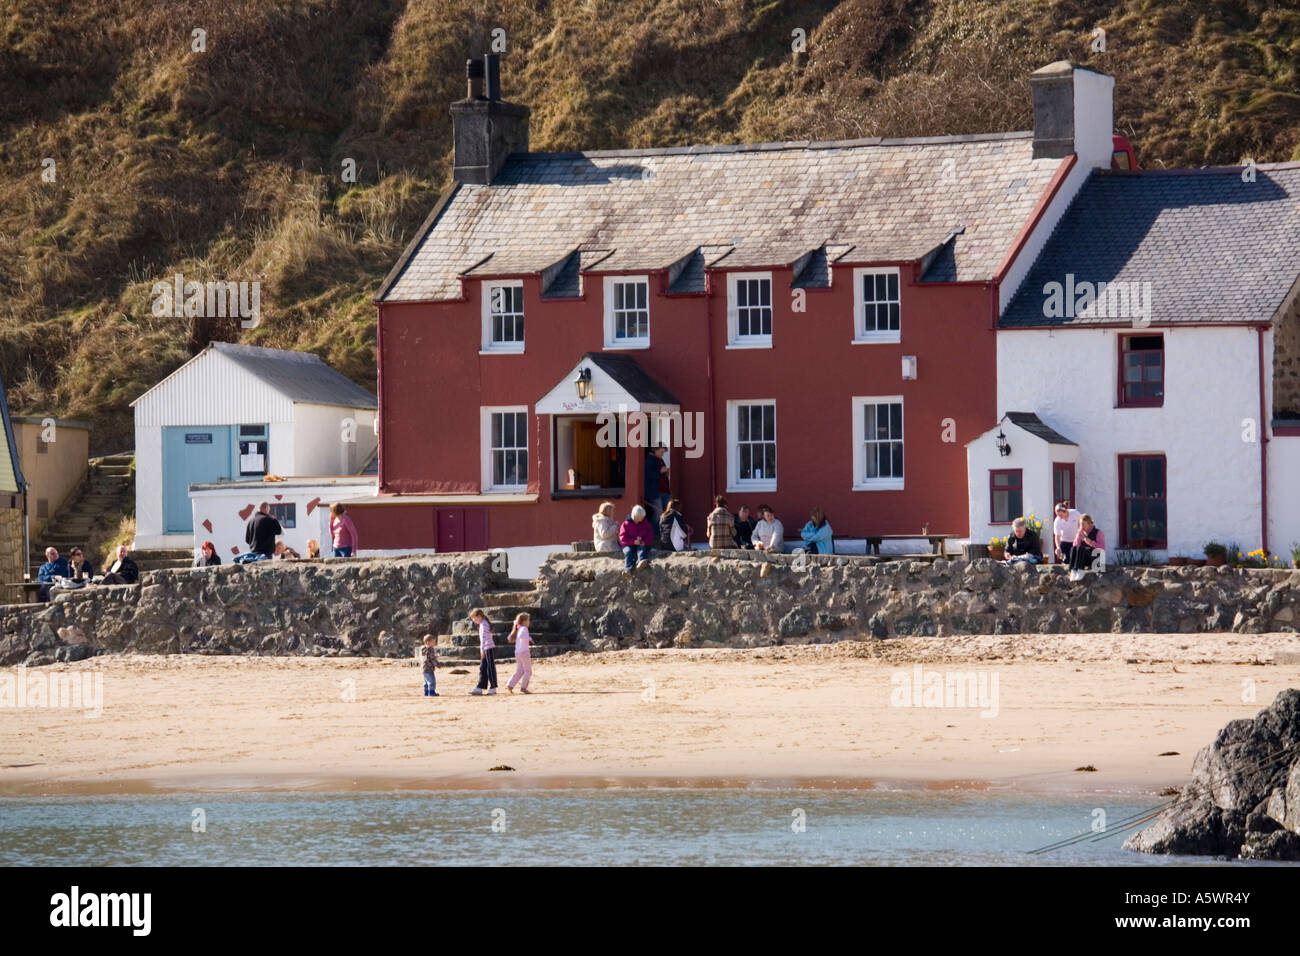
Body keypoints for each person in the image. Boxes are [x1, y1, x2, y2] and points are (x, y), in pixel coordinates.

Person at [468, 608, 497, 696]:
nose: (474, 620)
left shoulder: (484, 624)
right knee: (483, 668)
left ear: (479, 616)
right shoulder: (482, 624)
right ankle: (480, 687)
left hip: (488, 648)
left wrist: (482, 650)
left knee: (490, 668)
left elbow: (484, 639)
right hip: (486, 648)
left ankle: (493, 687)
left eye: (475, 618)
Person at [619, 504, 655, 574]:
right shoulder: (625, 524)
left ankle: (641, 562)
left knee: (642, 548)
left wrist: (645, 542)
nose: (642, 519)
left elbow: (650, 535)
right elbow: (623, 538)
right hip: (628, 544)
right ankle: (628, 570)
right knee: (628, 552)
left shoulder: (645, 523)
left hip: (641, 543)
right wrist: (633, 542)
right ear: (636, 517)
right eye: (641, 517)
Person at [1069, 514, 1106, 580]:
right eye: (1080, 524)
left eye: (1083, 524)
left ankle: (1081, 570)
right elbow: (1075, 546)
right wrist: (1078, 536)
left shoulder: (1098, 533)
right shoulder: (1082, 532)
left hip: (1095, 559)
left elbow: (1102, 548)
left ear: (1089, 524)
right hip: (1084, 559)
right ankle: (1074, 570)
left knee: (1082, 548)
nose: (1081, 526)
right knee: (1074, 548)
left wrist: (1090, 542)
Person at [506, 612, 534, 695]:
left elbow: (509, 637)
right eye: (528, 620)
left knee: (519, 670)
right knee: (528, 671)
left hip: (517, 652)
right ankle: (523, 687)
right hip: (524, 652)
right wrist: (529, 638)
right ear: (524, 621)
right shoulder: (524, 629)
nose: (529, 622)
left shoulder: (517, 628)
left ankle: (510, 684)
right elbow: (522, 636)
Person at [644, 444, 670, 523]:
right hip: (655, 493)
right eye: (661, 451)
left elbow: (661, 475)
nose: (662, 454)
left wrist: (666, 473)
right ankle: (655, 534)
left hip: (665, 491)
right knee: (658, 514)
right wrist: (660, 471)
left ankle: (664, 533)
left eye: (663, 452)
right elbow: (648, 475)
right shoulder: (649, 461)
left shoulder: (660, 460)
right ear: (655, 450)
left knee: (668, 513)